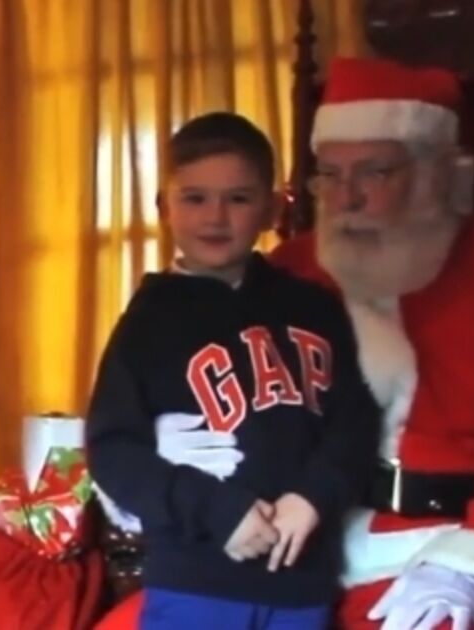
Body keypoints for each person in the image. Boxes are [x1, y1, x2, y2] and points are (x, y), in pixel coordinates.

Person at [96, 58, 474, 630]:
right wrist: (163, 445)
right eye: (330, 175)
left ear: (435, 175)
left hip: (441, 548)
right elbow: (187, 400)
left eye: (373, 173)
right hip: (282, 545)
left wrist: (471, 566)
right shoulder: (287, 271)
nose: (346, 197)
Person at [86, 112, 381, 630]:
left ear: (271, 208)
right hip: (194, 578)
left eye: (238, 198)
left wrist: (313, 498)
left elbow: (353, 422)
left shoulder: (314, 306)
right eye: (195, 198)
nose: (215, 216)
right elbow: (113, 451)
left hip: (301, 580)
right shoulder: (148, 321)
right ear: (164, 207)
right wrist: (218, 511)